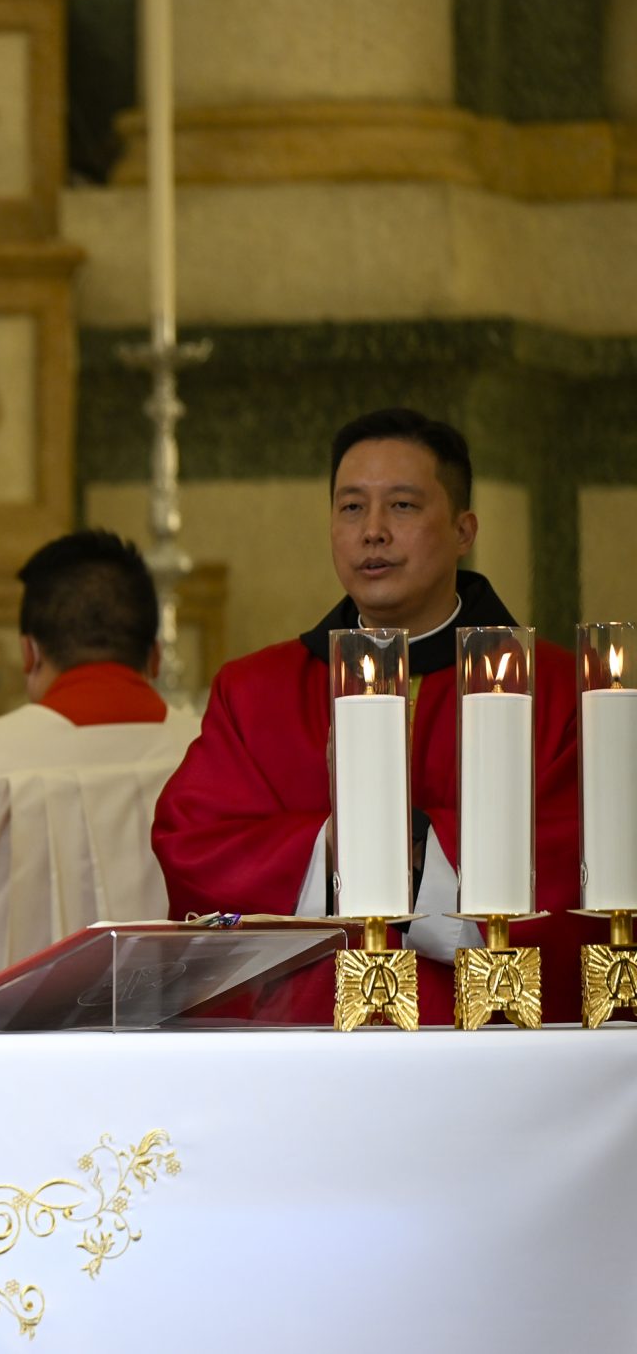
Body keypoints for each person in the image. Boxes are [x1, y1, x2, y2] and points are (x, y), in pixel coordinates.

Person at [152, 408, 580, 1024]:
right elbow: (194, 849)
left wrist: (410, 847)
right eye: (351, 508)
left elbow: (586, 856)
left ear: (464, 530)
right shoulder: (255, 692)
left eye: (402, 506)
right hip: (305, 1040)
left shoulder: (557, 690)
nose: (372, 531)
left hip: (486, 1041)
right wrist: (334, 848)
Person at [0, 531, 199, 1005]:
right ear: (156, 655)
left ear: (29, 653)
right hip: (198, 1068)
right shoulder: (214, 754)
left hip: (8, 1073)